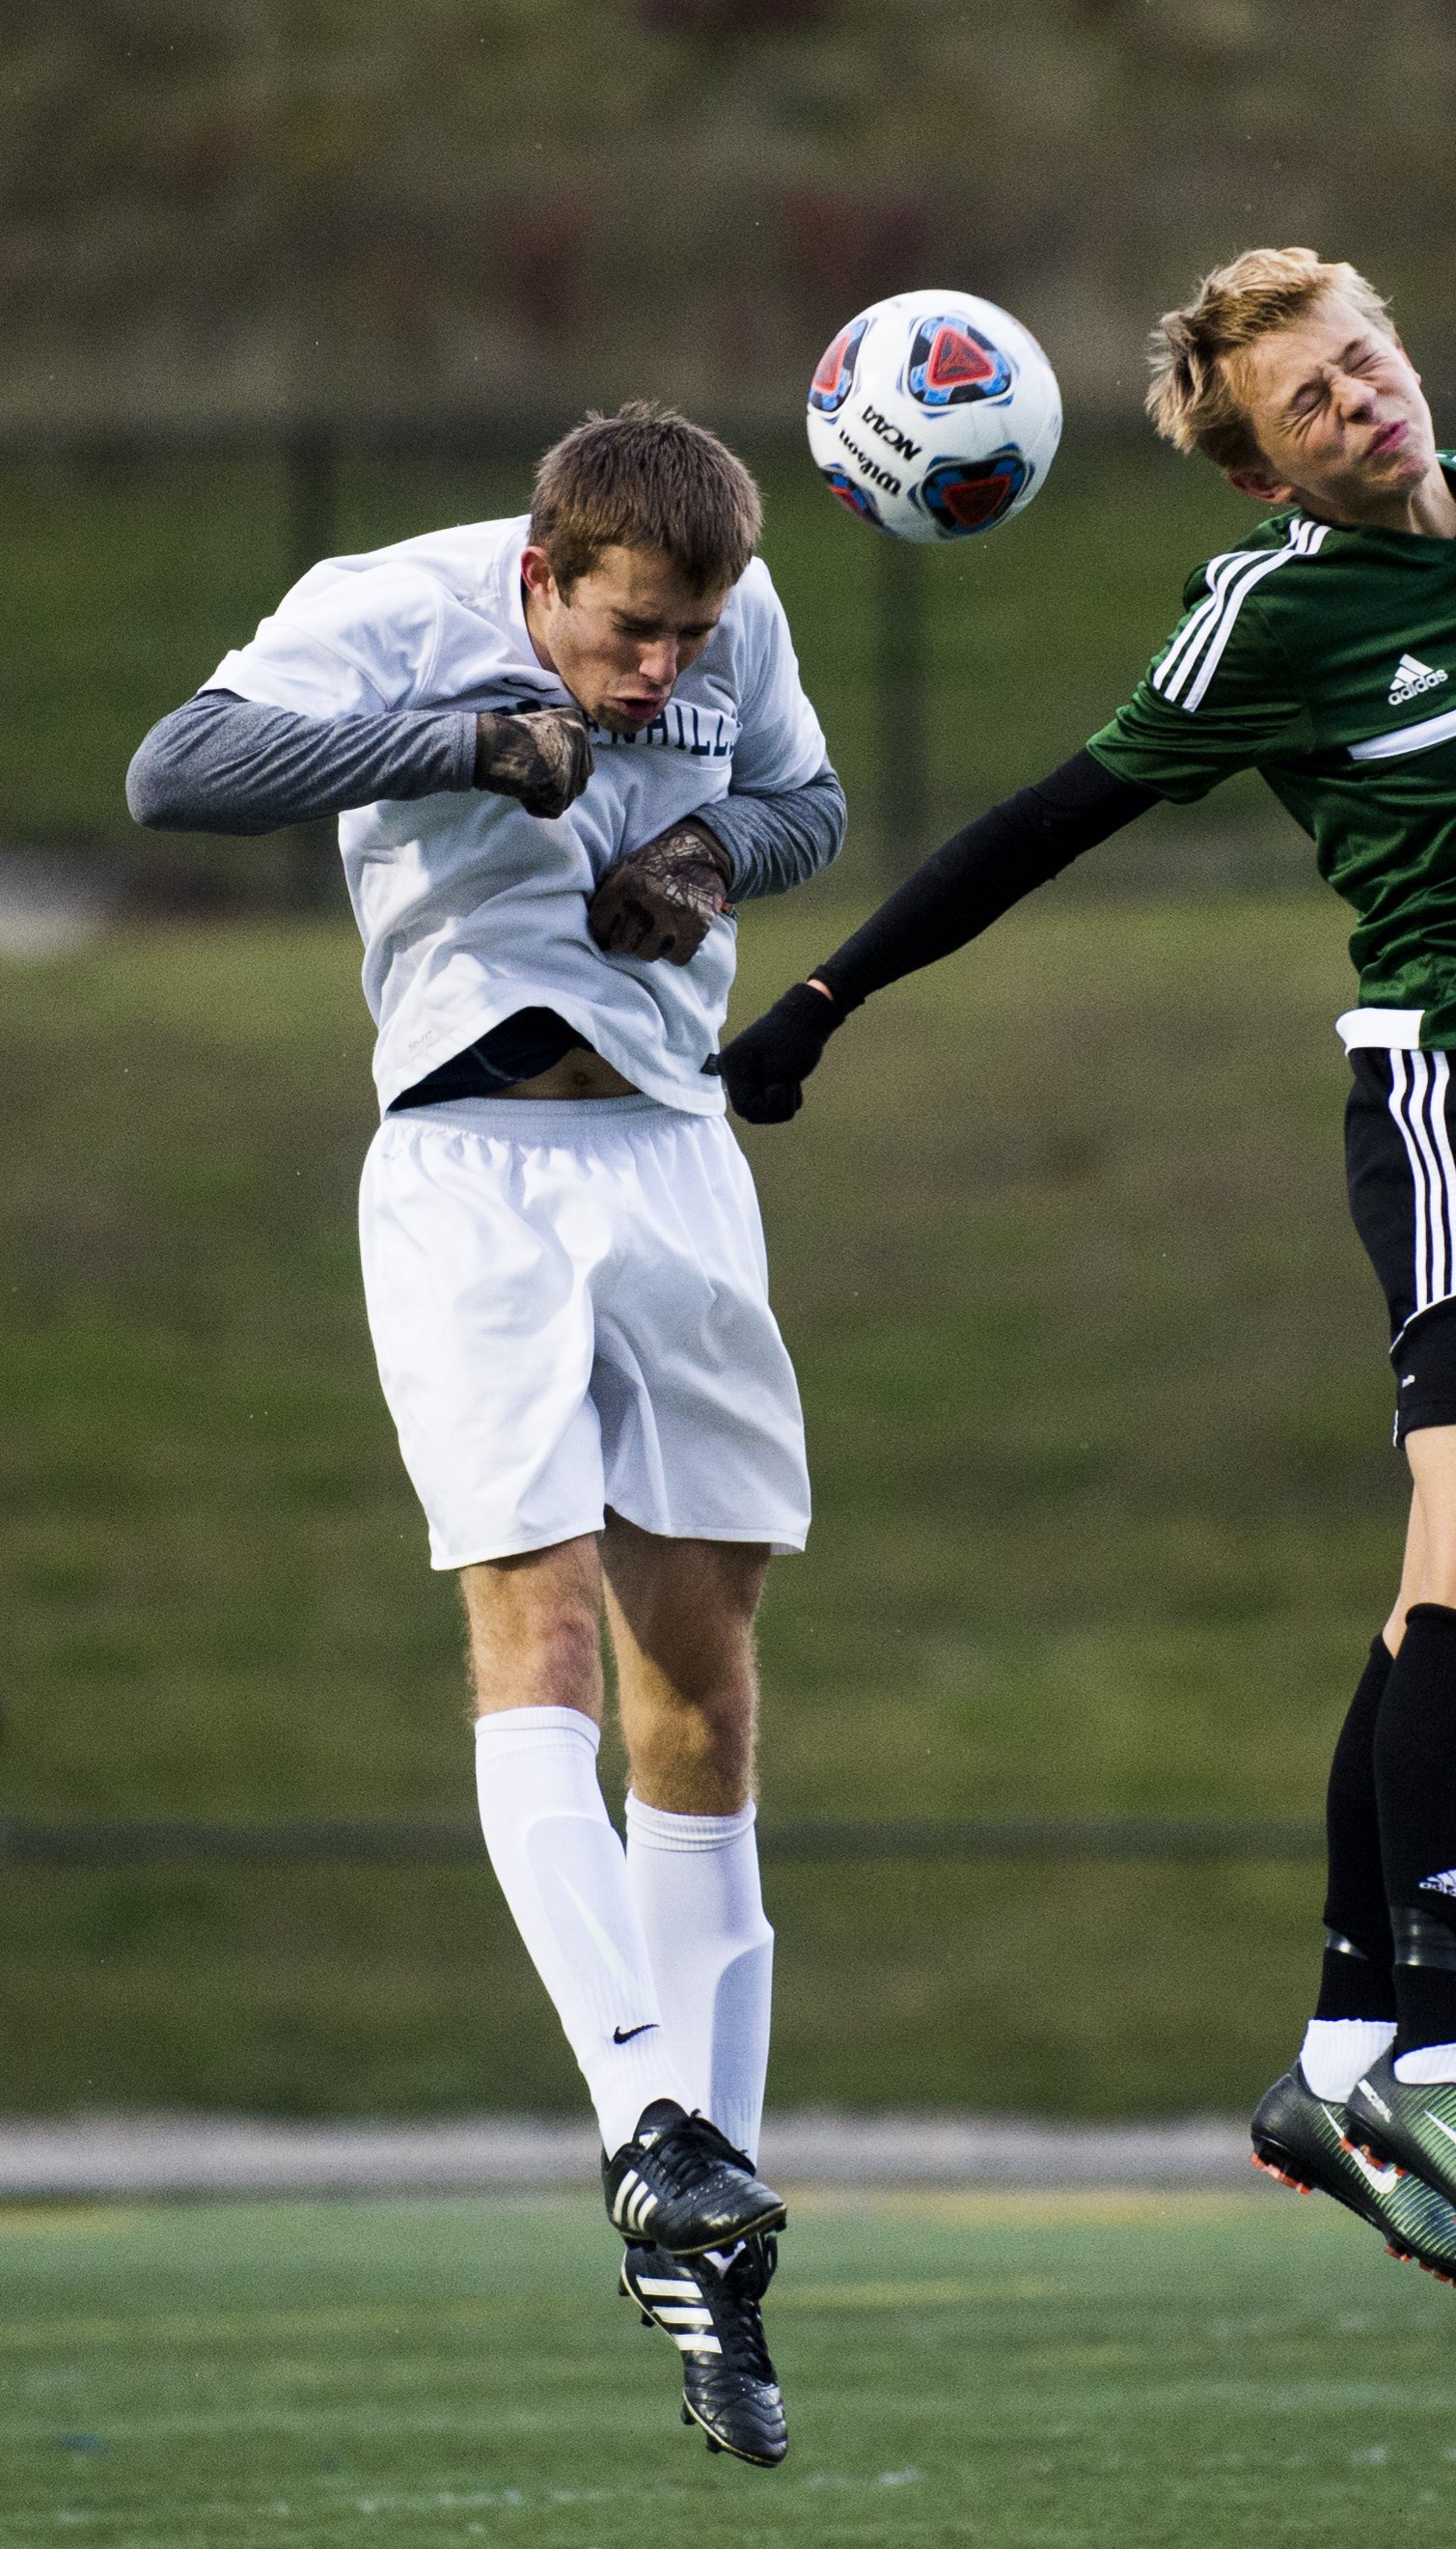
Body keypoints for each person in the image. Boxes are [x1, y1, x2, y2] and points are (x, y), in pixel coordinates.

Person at [719, 249, 1456, 2292]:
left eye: (1363, 363)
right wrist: (822, 998)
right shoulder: (1272, 610)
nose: (1359, 405)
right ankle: (1448, 2041)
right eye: (1308, 407)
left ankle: (1336, 2052)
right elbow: (1043, 820)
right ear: (1263, 479)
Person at [127, 402, 845, 2463]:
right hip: (467, 1177)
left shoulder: (735, 623)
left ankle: (716, 2239)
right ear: (541, 576)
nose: (658, 679)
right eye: (626, 640)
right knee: (529, 1636)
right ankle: (648, 2127)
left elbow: (805, 802)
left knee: (699, 1695)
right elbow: (177, 770)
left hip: (679, 1164)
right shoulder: (392, 609)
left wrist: (715, 848)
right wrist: (456, 743)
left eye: (686, 646)